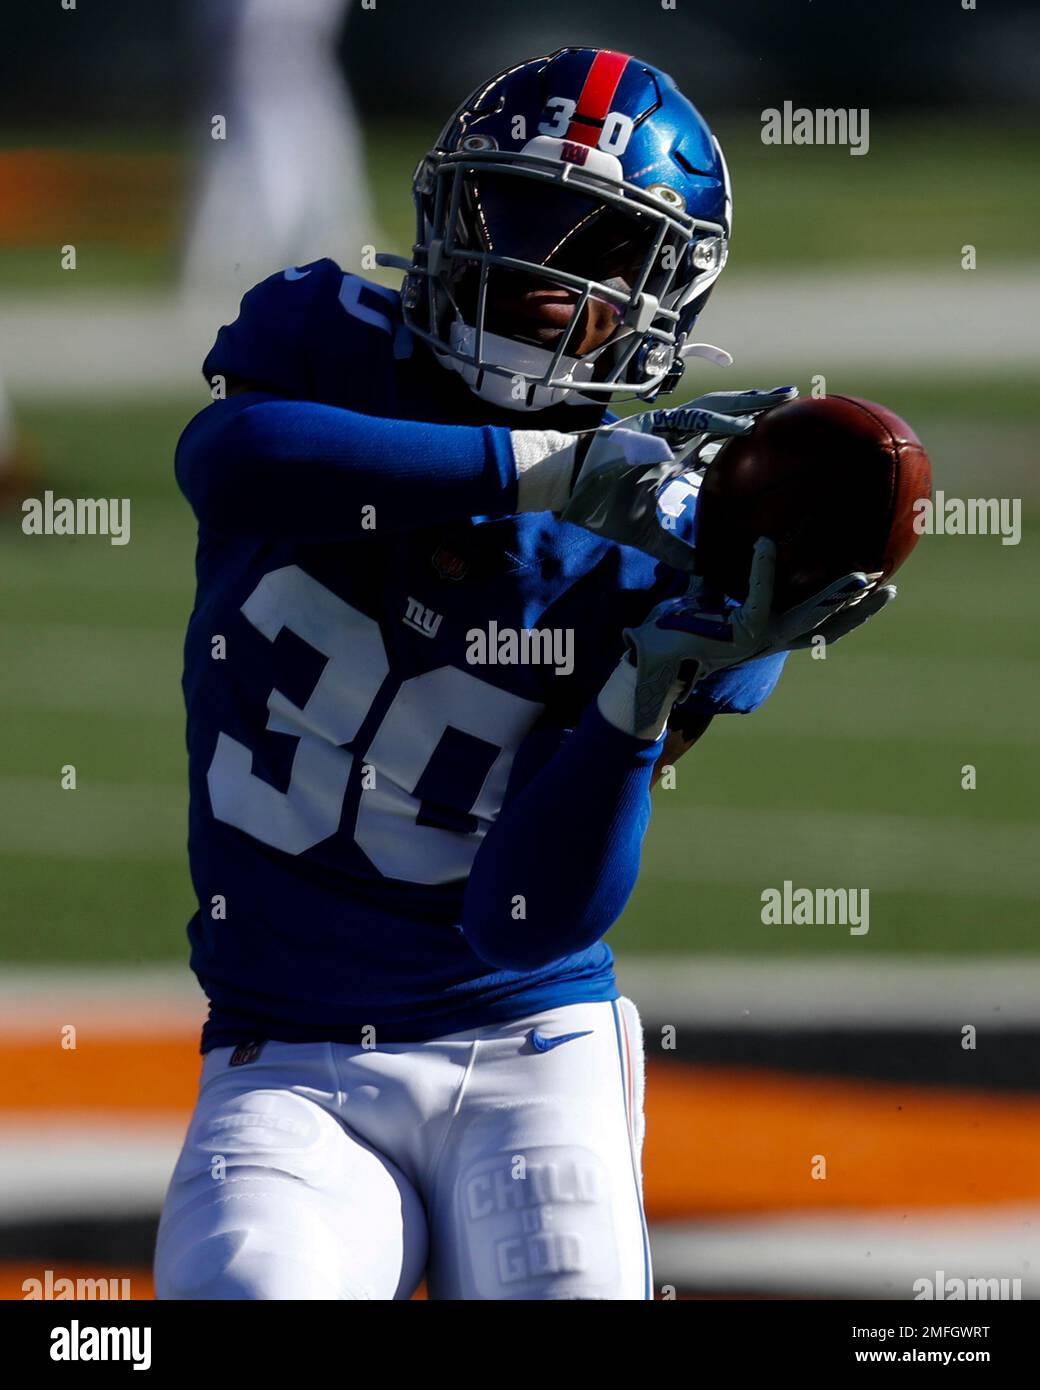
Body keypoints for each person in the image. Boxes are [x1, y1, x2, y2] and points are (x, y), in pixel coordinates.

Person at [155, 47, 893, 1301]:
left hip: (526, 1039)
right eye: (520, 213)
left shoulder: (685, 544)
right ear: (444, 213)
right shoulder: (330, 345)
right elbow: (228, 463)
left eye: (600, 245)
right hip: (285, 1052)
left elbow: (525, 918)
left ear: (667, 288)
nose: (544, 269)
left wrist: (641, 692)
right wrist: (542, 469)